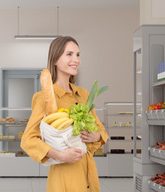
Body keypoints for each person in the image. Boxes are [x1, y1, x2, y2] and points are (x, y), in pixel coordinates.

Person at [21, 36, 108, 192]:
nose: (76, 59)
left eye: (78, 54)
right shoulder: (44, 98)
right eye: (69, 54)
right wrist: (59, 155)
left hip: (89, 173)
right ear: (55, 60)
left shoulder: (83, 94)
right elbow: (28, 140)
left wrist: (96, 136)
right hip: (64, 175)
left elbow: (101, 130)